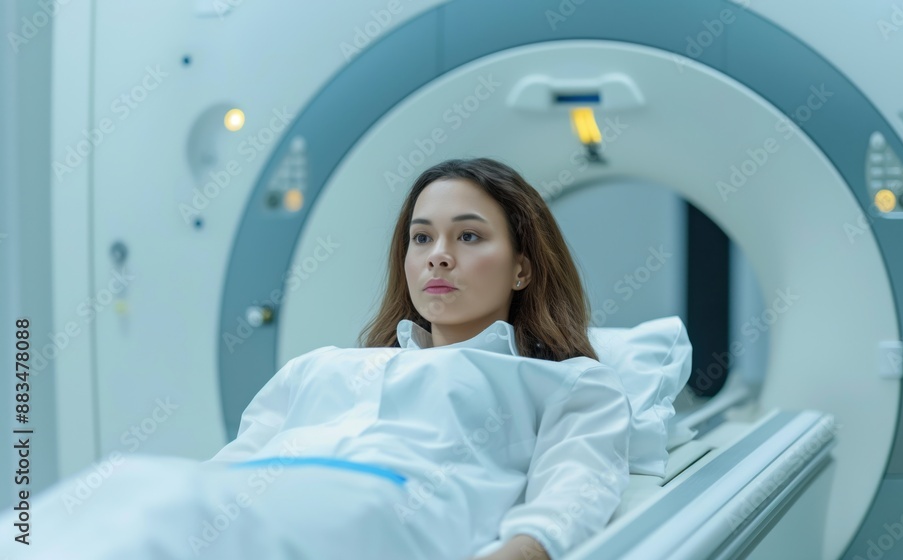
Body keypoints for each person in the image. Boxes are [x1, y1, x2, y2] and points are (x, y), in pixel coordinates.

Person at [0, 158, 630, 560]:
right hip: (252, 499)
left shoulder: (563, 383)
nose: (438, 254)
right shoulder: (322, 367)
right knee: (123, 488)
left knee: (162, 513)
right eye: (421, 237)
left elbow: (575, 488)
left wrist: (519, 553)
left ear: (523, 268)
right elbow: (228, 470)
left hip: (380, 513)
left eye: (468, 235)